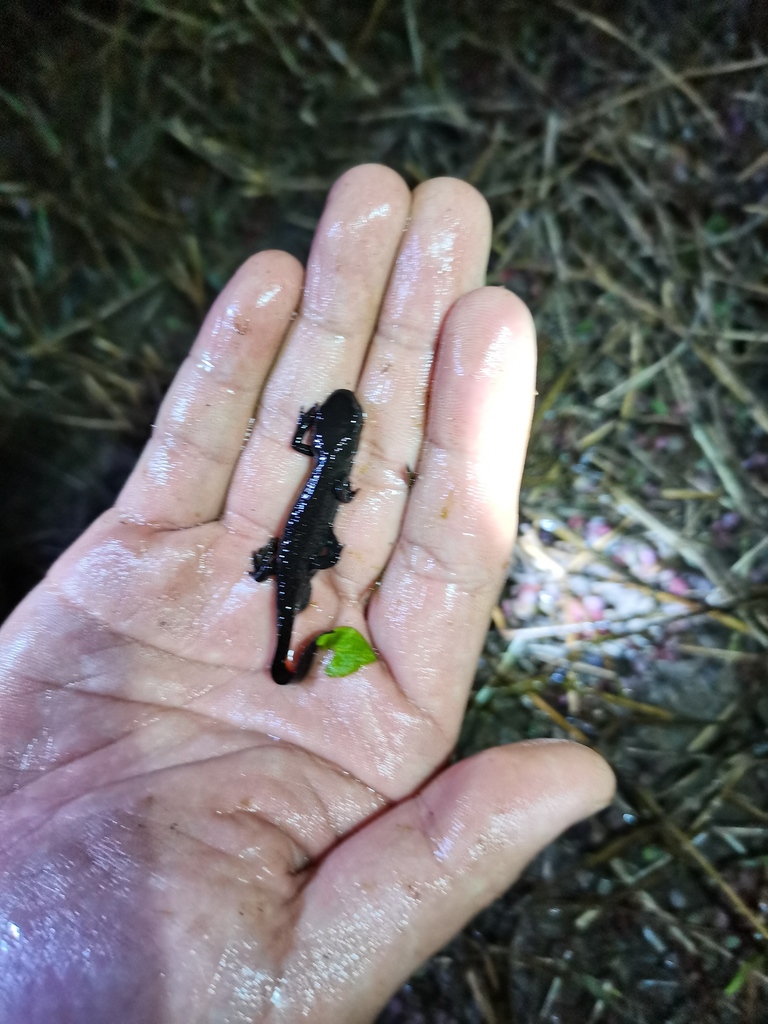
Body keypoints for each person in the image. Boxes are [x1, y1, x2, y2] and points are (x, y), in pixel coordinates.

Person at [0, 164, 614, 1023]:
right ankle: (289, 623)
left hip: (295, 546)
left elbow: (318, 477)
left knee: (299, 553)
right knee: (304, 549)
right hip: (300, 542)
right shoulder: (336, 458)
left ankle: (289, 620)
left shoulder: (325, 452)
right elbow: (326, 485)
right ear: (340, 437)